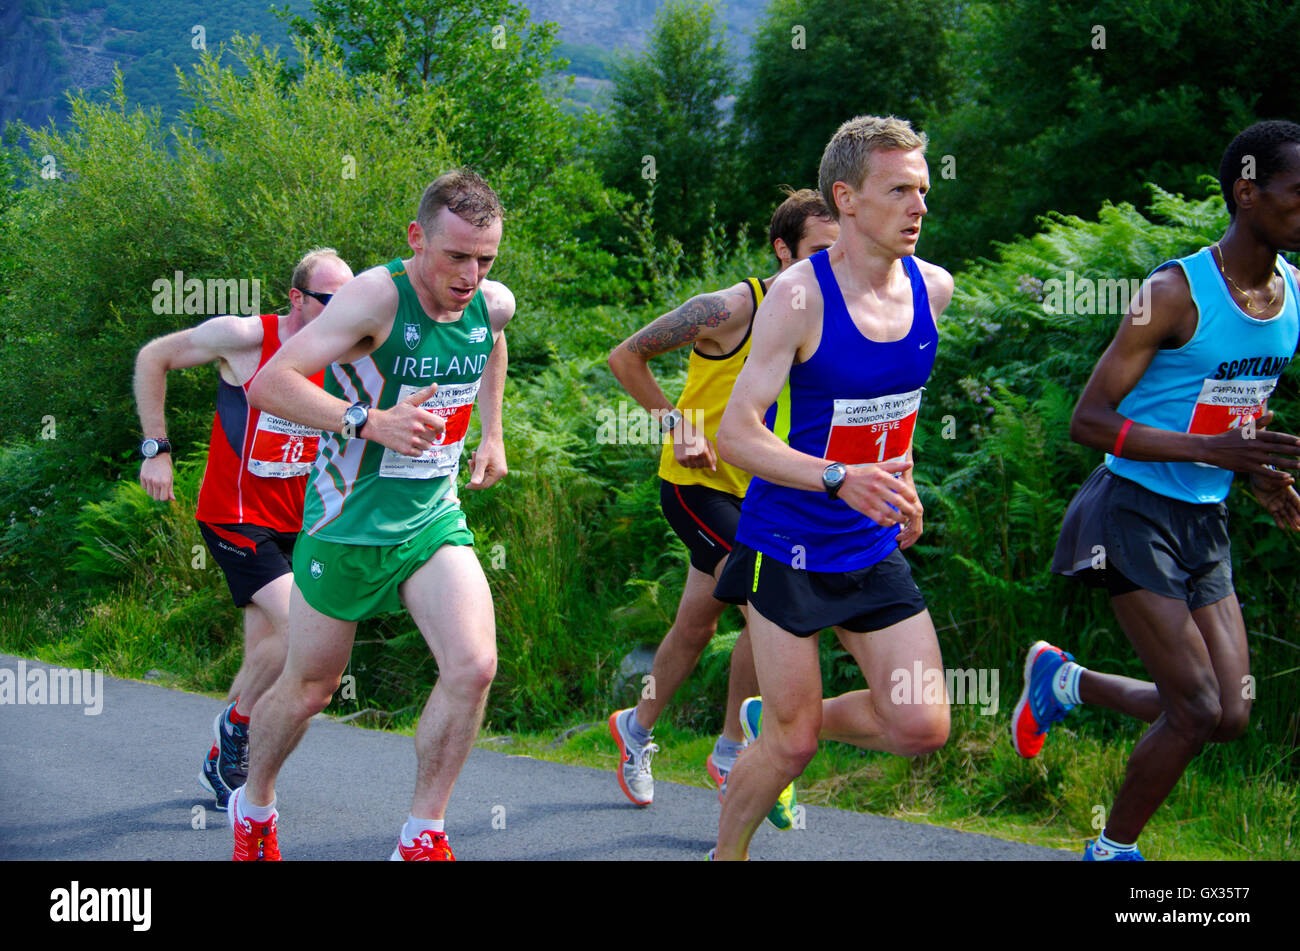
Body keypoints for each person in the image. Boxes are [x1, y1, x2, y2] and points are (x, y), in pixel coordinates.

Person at [1019, 119, 1300, 861]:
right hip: (1129, 511)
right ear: (1248, 191)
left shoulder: (1293, 296)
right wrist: (1215, 448)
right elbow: (1088, 419)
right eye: (1298, 193)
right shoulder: (1173, 292)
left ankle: (1067, 682)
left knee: (1229, 713)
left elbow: (1230, 405)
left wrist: (1253, 471)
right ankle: (1112, 850)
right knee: (1197, 705)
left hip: (1205, 519)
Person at [227, 169, 513, 861]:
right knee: (311, 687)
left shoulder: (491, 302)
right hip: (345, 523)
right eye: (455, 257)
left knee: (473, 664)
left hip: (430, 519)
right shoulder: (374, 300)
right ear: (418, 239)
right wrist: (366, 420)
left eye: (485, 259)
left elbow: (492, 343)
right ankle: (254, 801)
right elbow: (268, 383)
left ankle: (423, 834)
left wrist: (493, 431)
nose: (471, 275)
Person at [710, 115, 954, 860]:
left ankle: (779, 717)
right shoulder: (798, 296)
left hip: (870, 541)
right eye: (899, 190)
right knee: (792, 746)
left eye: (923, 189)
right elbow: (736, 433)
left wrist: (900, 485)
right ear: (846, 198)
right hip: (786, 543)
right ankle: (729, 853)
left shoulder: (933, 289)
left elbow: (889, 412)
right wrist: (841, 478)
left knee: (922, 725)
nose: (918, 207)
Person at [606, 189, 838, 828]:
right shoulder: (732, 309)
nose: (831, 263)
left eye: (840, 250)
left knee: (696, 625)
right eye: (818, 251)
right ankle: (738, 750)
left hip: (767, 491)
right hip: (699, 485)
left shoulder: (831, 313)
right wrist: (674, 421)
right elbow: (626, 357)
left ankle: (635, 725)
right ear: (782, 250)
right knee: (773, 603)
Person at [133, 248, 354, 811]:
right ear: (297, 298)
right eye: (330, 301)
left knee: (273, 651)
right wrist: (156, 449)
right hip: (235, 517)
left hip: (301, 523)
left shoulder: (351, 349)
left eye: (348, 302)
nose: (341, 312)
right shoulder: (246, 337)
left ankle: (223, 759)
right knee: (301, 630)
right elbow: (154, 356)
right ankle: (236, 727)